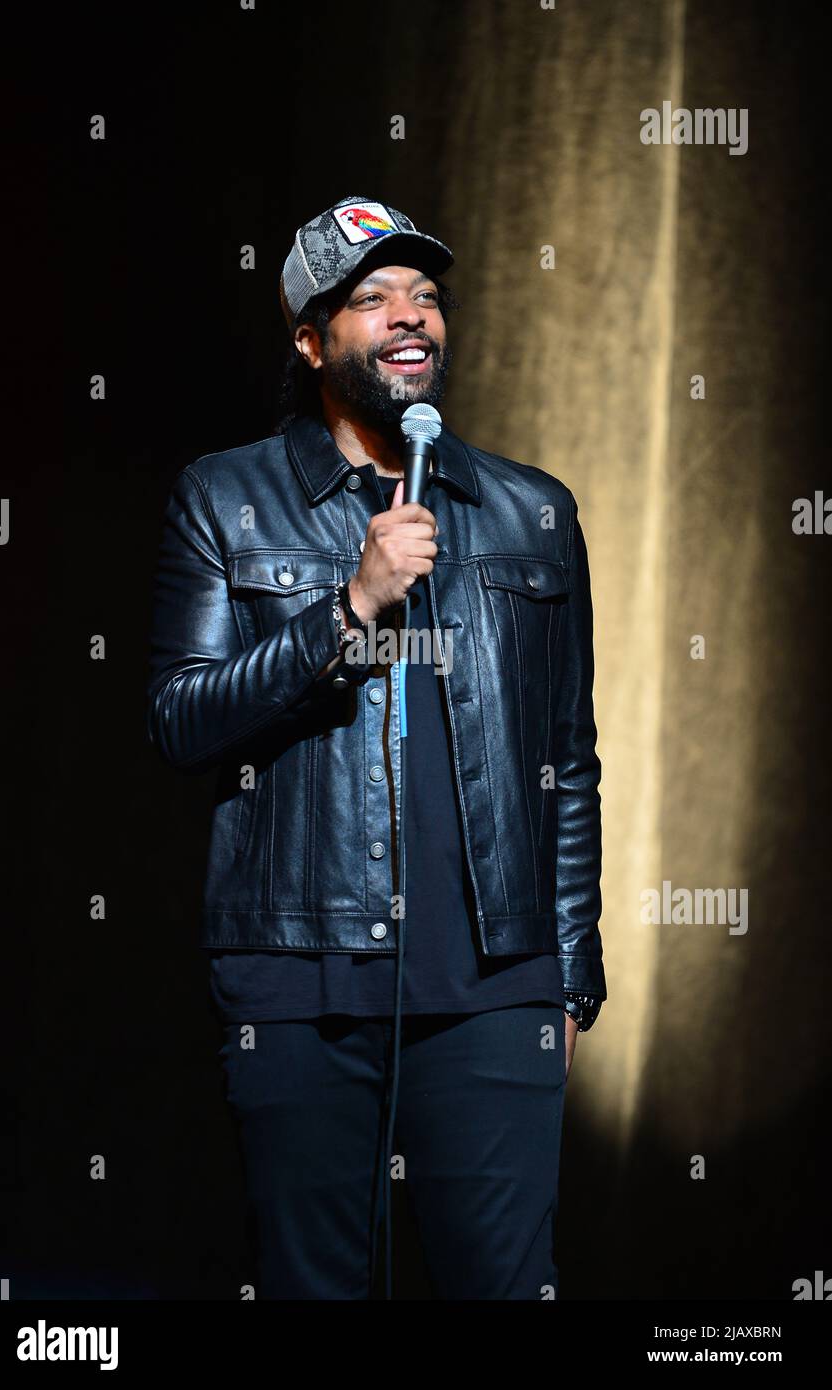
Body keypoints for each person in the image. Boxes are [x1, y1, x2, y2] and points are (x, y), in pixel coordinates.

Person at [147, 194, 606, 1300]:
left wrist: (570, 972)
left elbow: (569, 755)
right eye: (370, 298)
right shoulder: (224, 497)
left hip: (497, 987)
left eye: (425, 295)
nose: (409, 316)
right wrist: (346, 608)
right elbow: (181, 717)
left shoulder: (530, 511)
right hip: (298, 978)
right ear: (310, 340)